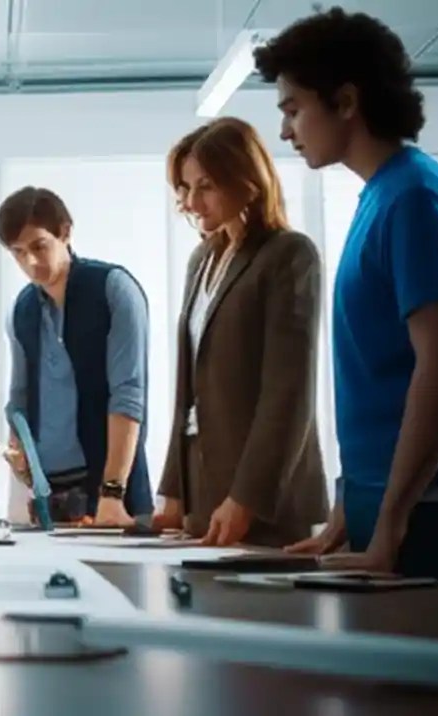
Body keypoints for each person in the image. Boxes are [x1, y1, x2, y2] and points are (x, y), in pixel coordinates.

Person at [257, 8, 438, 594]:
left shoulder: (414, 196)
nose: (286, 131)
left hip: (435, 507)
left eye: (292, 109)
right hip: (396, 503)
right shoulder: (380, 197)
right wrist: (351, 498)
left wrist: (391, 519)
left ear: (345, 101)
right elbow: (381, 377)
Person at [155, 117, 328, 547]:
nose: (192, 201)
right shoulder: (202, 259)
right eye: (186, 187)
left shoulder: (288, 254)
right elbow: (188, 391)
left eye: (206, 185)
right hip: (203, 488)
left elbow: (288, 392)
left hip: (264, 496)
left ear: (247, 180)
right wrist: (173, 489)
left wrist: (246, 498)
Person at [0, 187, 153, 526]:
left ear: (65, 232)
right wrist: (25, 467)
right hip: (49, 498)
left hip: (110, 487)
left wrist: (112, 493)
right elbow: (19, 402)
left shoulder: (113, 289)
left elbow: (129, 394)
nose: (31, 263)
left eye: (39, 246)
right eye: (18, 253)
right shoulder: (21, 310)